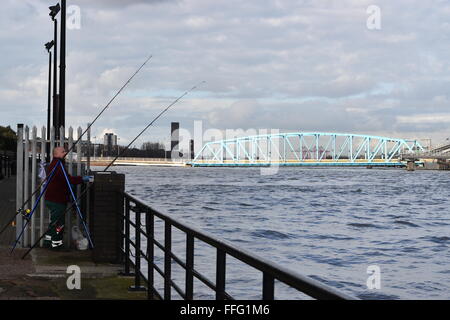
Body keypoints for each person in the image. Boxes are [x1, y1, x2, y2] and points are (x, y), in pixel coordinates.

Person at [44, 146, 91, 250]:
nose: (65, 153)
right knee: (59, 224)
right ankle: (56, 245)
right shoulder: (57, 165)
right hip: (57, 199)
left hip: (52, 198)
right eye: (63, 151)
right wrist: (83, 179)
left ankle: (47, 242)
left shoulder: (56, 164)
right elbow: (68, 180)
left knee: (54, 222)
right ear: (56, 154)